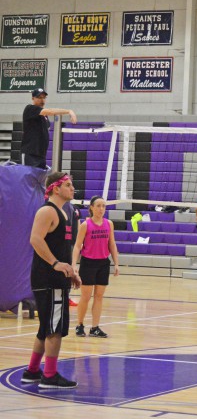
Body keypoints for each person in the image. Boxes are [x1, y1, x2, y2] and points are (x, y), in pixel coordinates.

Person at [22, 172, 81, 388]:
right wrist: (56, 264)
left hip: (56, 278)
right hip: (49, 279)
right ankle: (50, 375)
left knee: (45, 327)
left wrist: (71, 271)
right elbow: (35, 239)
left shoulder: (64, 212)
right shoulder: (48, 211)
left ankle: (32, 371)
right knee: (55, 329)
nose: (72, 188)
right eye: (68, 185)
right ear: (56, 188)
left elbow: (61, 248)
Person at [71, 196, 119, 338]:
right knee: (86, 296)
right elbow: (77, 246)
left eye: (103, 206)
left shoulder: (109, 224)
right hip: (88, 263)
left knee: (99, 296)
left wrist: (116, 263)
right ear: (91, 207)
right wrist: (74, 265)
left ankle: (95, 328)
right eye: (98, 206)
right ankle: (80, 325)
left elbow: (112, 244)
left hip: (103, 263)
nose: (101, 209)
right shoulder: (85, 225)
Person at [21, 89, 77, 169]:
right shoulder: (30, 108)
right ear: (33, 98)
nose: (42, 100)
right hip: (30, 155)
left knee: (40, 177)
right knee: (28, 177)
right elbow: (50, 111)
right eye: (39, 97)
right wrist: (69, 111)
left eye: (44, 97)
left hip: (41, 155)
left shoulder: (45, 117)